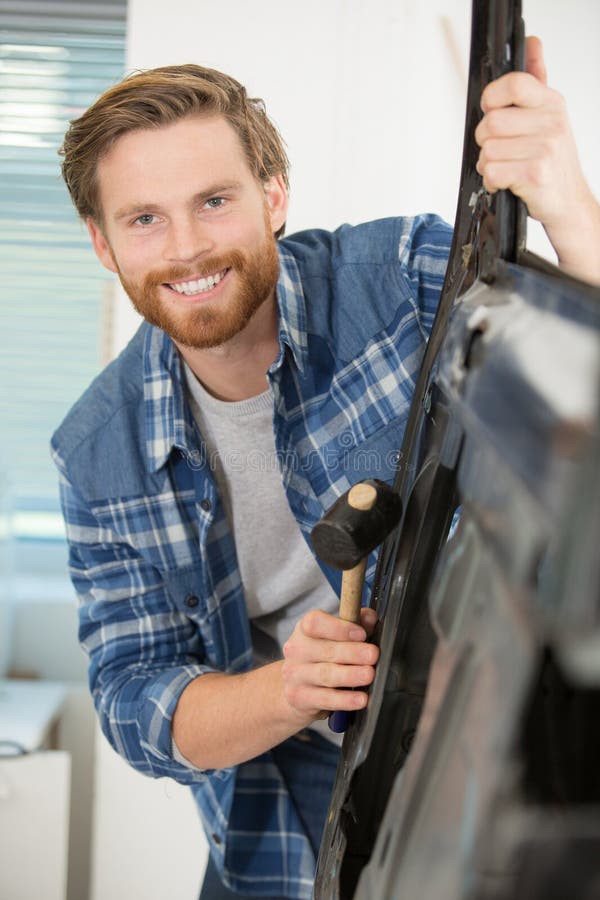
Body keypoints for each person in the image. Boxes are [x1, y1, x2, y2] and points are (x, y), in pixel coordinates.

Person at [52, 35, 599, 900]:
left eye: (214, 200)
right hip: (278, 798)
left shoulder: (405, 279)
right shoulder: (96, 453)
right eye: (144, 219)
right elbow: (132, 698)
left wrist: (569, 209)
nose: (186, 248)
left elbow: (580, 388)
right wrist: (290, 691)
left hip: (483, 749)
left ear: (274, 195)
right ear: (102, 243)